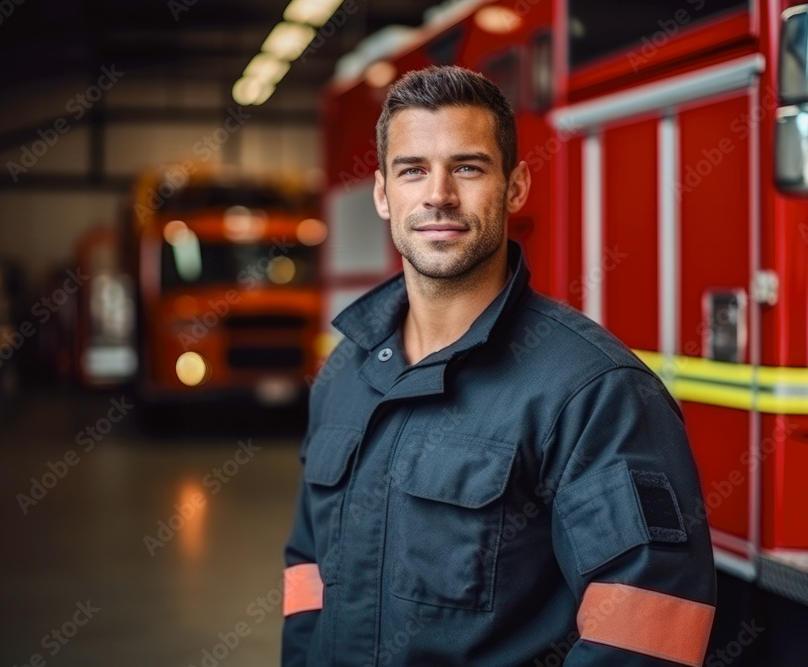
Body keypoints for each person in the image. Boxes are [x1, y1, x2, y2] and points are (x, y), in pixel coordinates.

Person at [281, 65, 716, 666]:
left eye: (467, 167)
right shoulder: (345, 375)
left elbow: (646, 629)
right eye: (412, 170)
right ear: (383, 194)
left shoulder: (593, 392)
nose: (438, 194)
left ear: (515, 188)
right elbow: (308, 572)